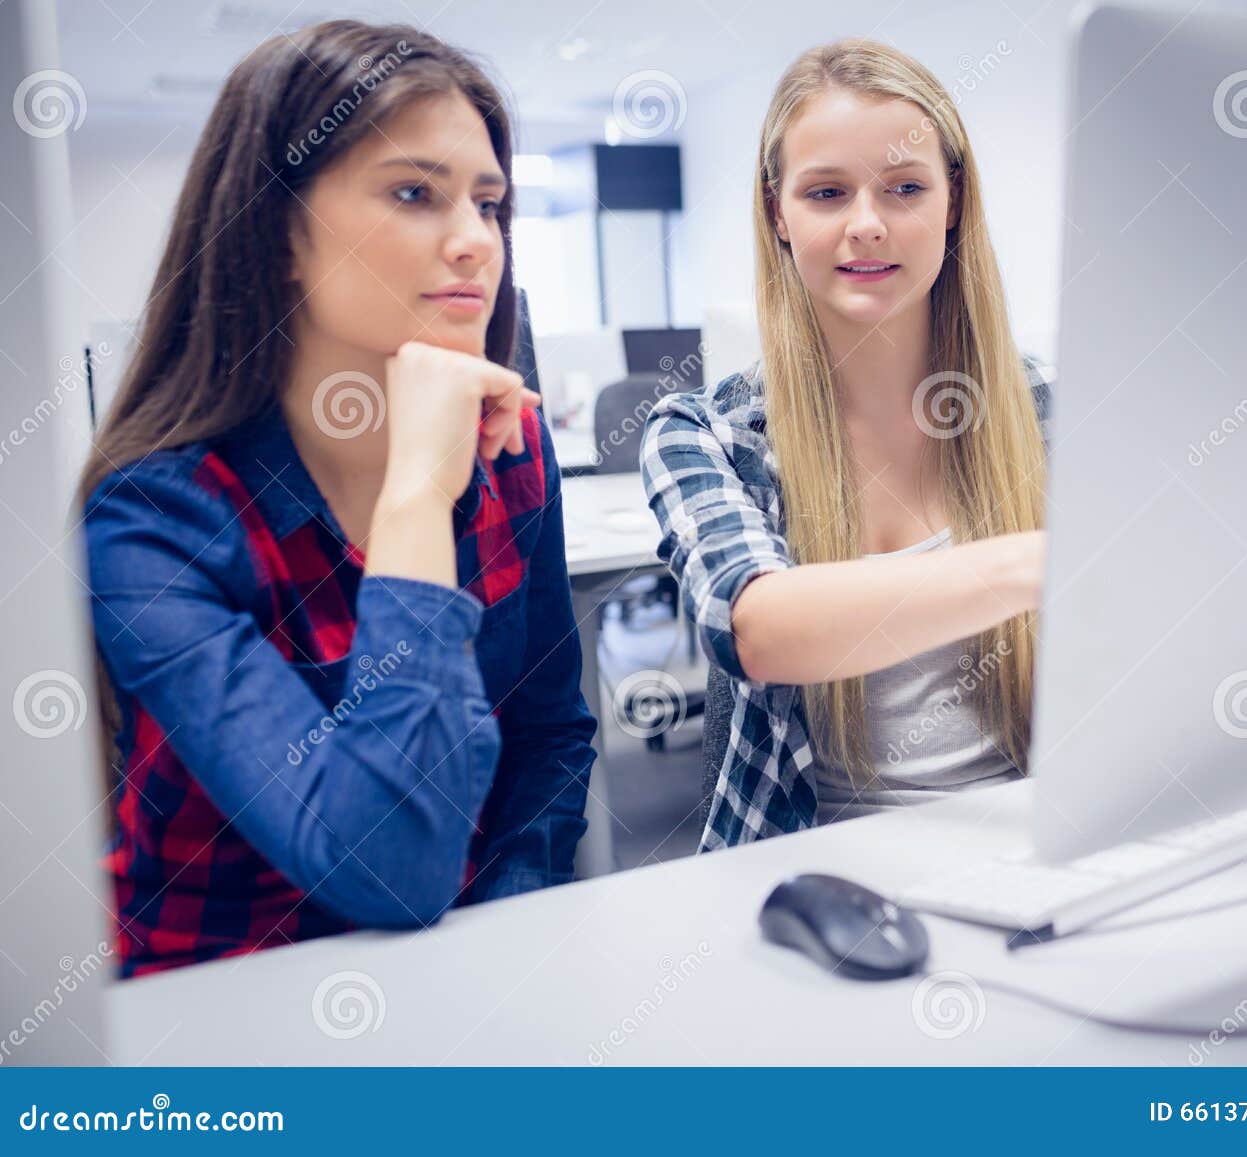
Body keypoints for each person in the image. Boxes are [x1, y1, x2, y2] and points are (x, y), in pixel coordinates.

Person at [78, 20, 595, 976]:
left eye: (489, 203)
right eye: (415, 194)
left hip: (462, 968)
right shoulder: (152, 522)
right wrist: (415, 499)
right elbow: (388, 864)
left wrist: (508, 943)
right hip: (216, 1006)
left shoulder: (514, 455)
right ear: (277, 235)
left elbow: (549, 737)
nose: (475, 241)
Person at [642, 39, 1049, 850]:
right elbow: (760, 630)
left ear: (954, 202)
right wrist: (1039, 560)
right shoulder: (701, 433)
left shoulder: (1044, 408)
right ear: (777, 213)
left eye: (904, 188)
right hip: (810, 870)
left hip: (1032, 848)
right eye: (827, 192)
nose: (868, 224)